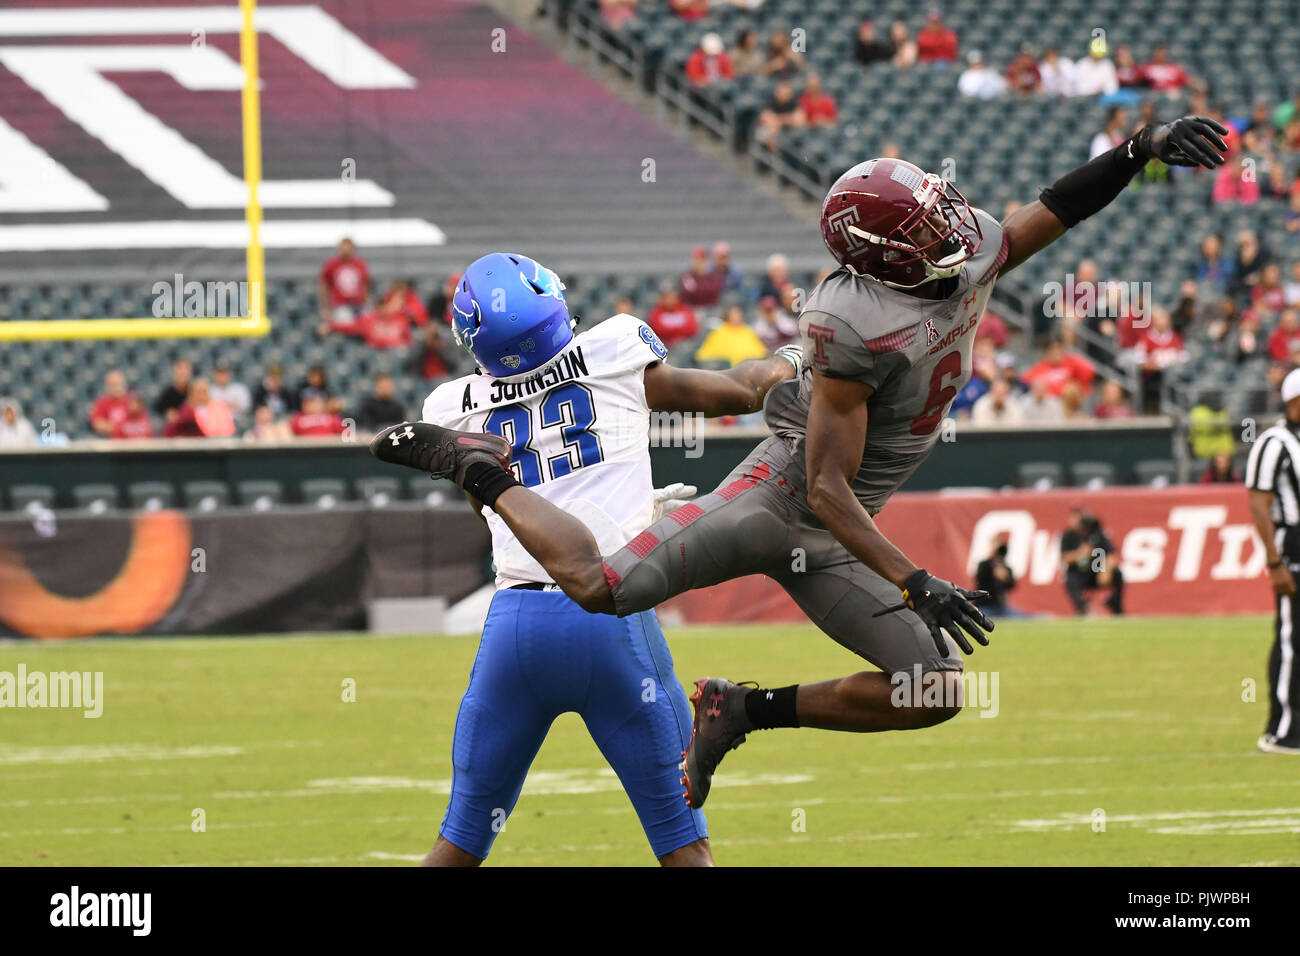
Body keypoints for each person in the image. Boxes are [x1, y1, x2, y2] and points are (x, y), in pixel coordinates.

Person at [371, 116, 1228, 808]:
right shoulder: (850, 322)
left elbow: (1056, 208)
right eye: (925, 223)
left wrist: (1136, 148)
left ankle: (738, 710)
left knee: (932, 691)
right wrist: (913, 578)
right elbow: (821, 484)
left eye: (939, 210)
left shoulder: (960, 256)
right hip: (772, 510)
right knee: (598, 589)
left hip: (835, 533)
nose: (951, 226)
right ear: (886, 254)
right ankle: (480, 466)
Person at [371, 252, 800, 865]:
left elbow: (494, 509)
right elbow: (738, 390)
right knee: (682, 844)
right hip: (612, 615)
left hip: (516, 631)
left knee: (459, 841)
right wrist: (793, 356)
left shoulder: (451, 405)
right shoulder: (615, 347)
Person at [1245, 367, 1300, 753]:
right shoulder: (1274, 442)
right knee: (1291, 638)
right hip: (1293, 545)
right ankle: (1282, 728)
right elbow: (1258, 504)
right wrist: (1274, 562)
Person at [1060, 507, 1124, 615]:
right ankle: (1083, 608)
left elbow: (1112, 553)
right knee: (1070, 578)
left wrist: (1105, 569)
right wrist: (1079, 554)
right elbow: (1064, 558)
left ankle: (1115, 605)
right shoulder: (1068, 536)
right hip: (1079, 572)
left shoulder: (1096, 534)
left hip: (1096, 569)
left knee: (1117, 574)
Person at [318, 237, 370, 328]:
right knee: (346, 323)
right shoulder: (332, 264)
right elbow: (324, 286)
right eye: (343, 248)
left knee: (368, 322)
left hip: (359, 304)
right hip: (341, 305)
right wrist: (325, 308)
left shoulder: (360, 264)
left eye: (349, 248)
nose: (346, 251)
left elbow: (365, 286)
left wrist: (367, 303)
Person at [694, 305, 769, 367]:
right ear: (727, 316)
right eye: (734, 314)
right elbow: (707, 353)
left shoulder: (748, 331)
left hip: (752, 366)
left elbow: (761, 350)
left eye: (739, 313)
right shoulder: (719, 332)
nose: (738, 316)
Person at [974, 534, 1019, 615]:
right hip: (985, 606)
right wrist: (993, 571)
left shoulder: (1005, 566)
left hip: (1001, 607)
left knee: (1022, 618)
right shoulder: (984, 564)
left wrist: (1005, 578)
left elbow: (1012, 585)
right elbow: (980, 581)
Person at [89, 369, 131, 437]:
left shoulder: (130, 401)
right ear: (107, 385)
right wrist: (118, 428)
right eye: (113, 385)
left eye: (119, 384)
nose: (117, 388)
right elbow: (96, 423)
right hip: (109, 440)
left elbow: (141, 423)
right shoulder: (102, 402)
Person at [153, 359, 193, 423]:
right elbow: (158, 407)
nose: (182, 376)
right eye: (180, 373)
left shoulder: (193, 392)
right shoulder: (168, 393)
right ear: (175, 373)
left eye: (184, 373)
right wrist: (167, 412)